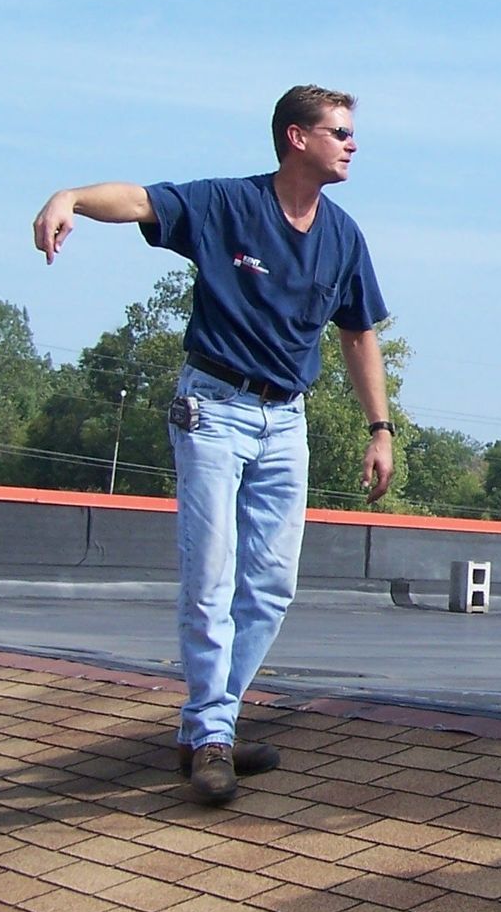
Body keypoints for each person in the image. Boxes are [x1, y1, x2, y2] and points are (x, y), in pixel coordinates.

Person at [32, 85, 395, 805]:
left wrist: (380, 428)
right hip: (212, 411)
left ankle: (209, 725)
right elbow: (141, 201)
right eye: (340, 132)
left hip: (286, 420)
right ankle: (210, 738)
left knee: (271, 587)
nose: (353, 144)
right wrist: (69, 197)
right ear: (296, 138)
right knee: (211, 581)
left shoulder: (344, 236)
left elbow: (359, 335)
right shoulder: (230, 204)